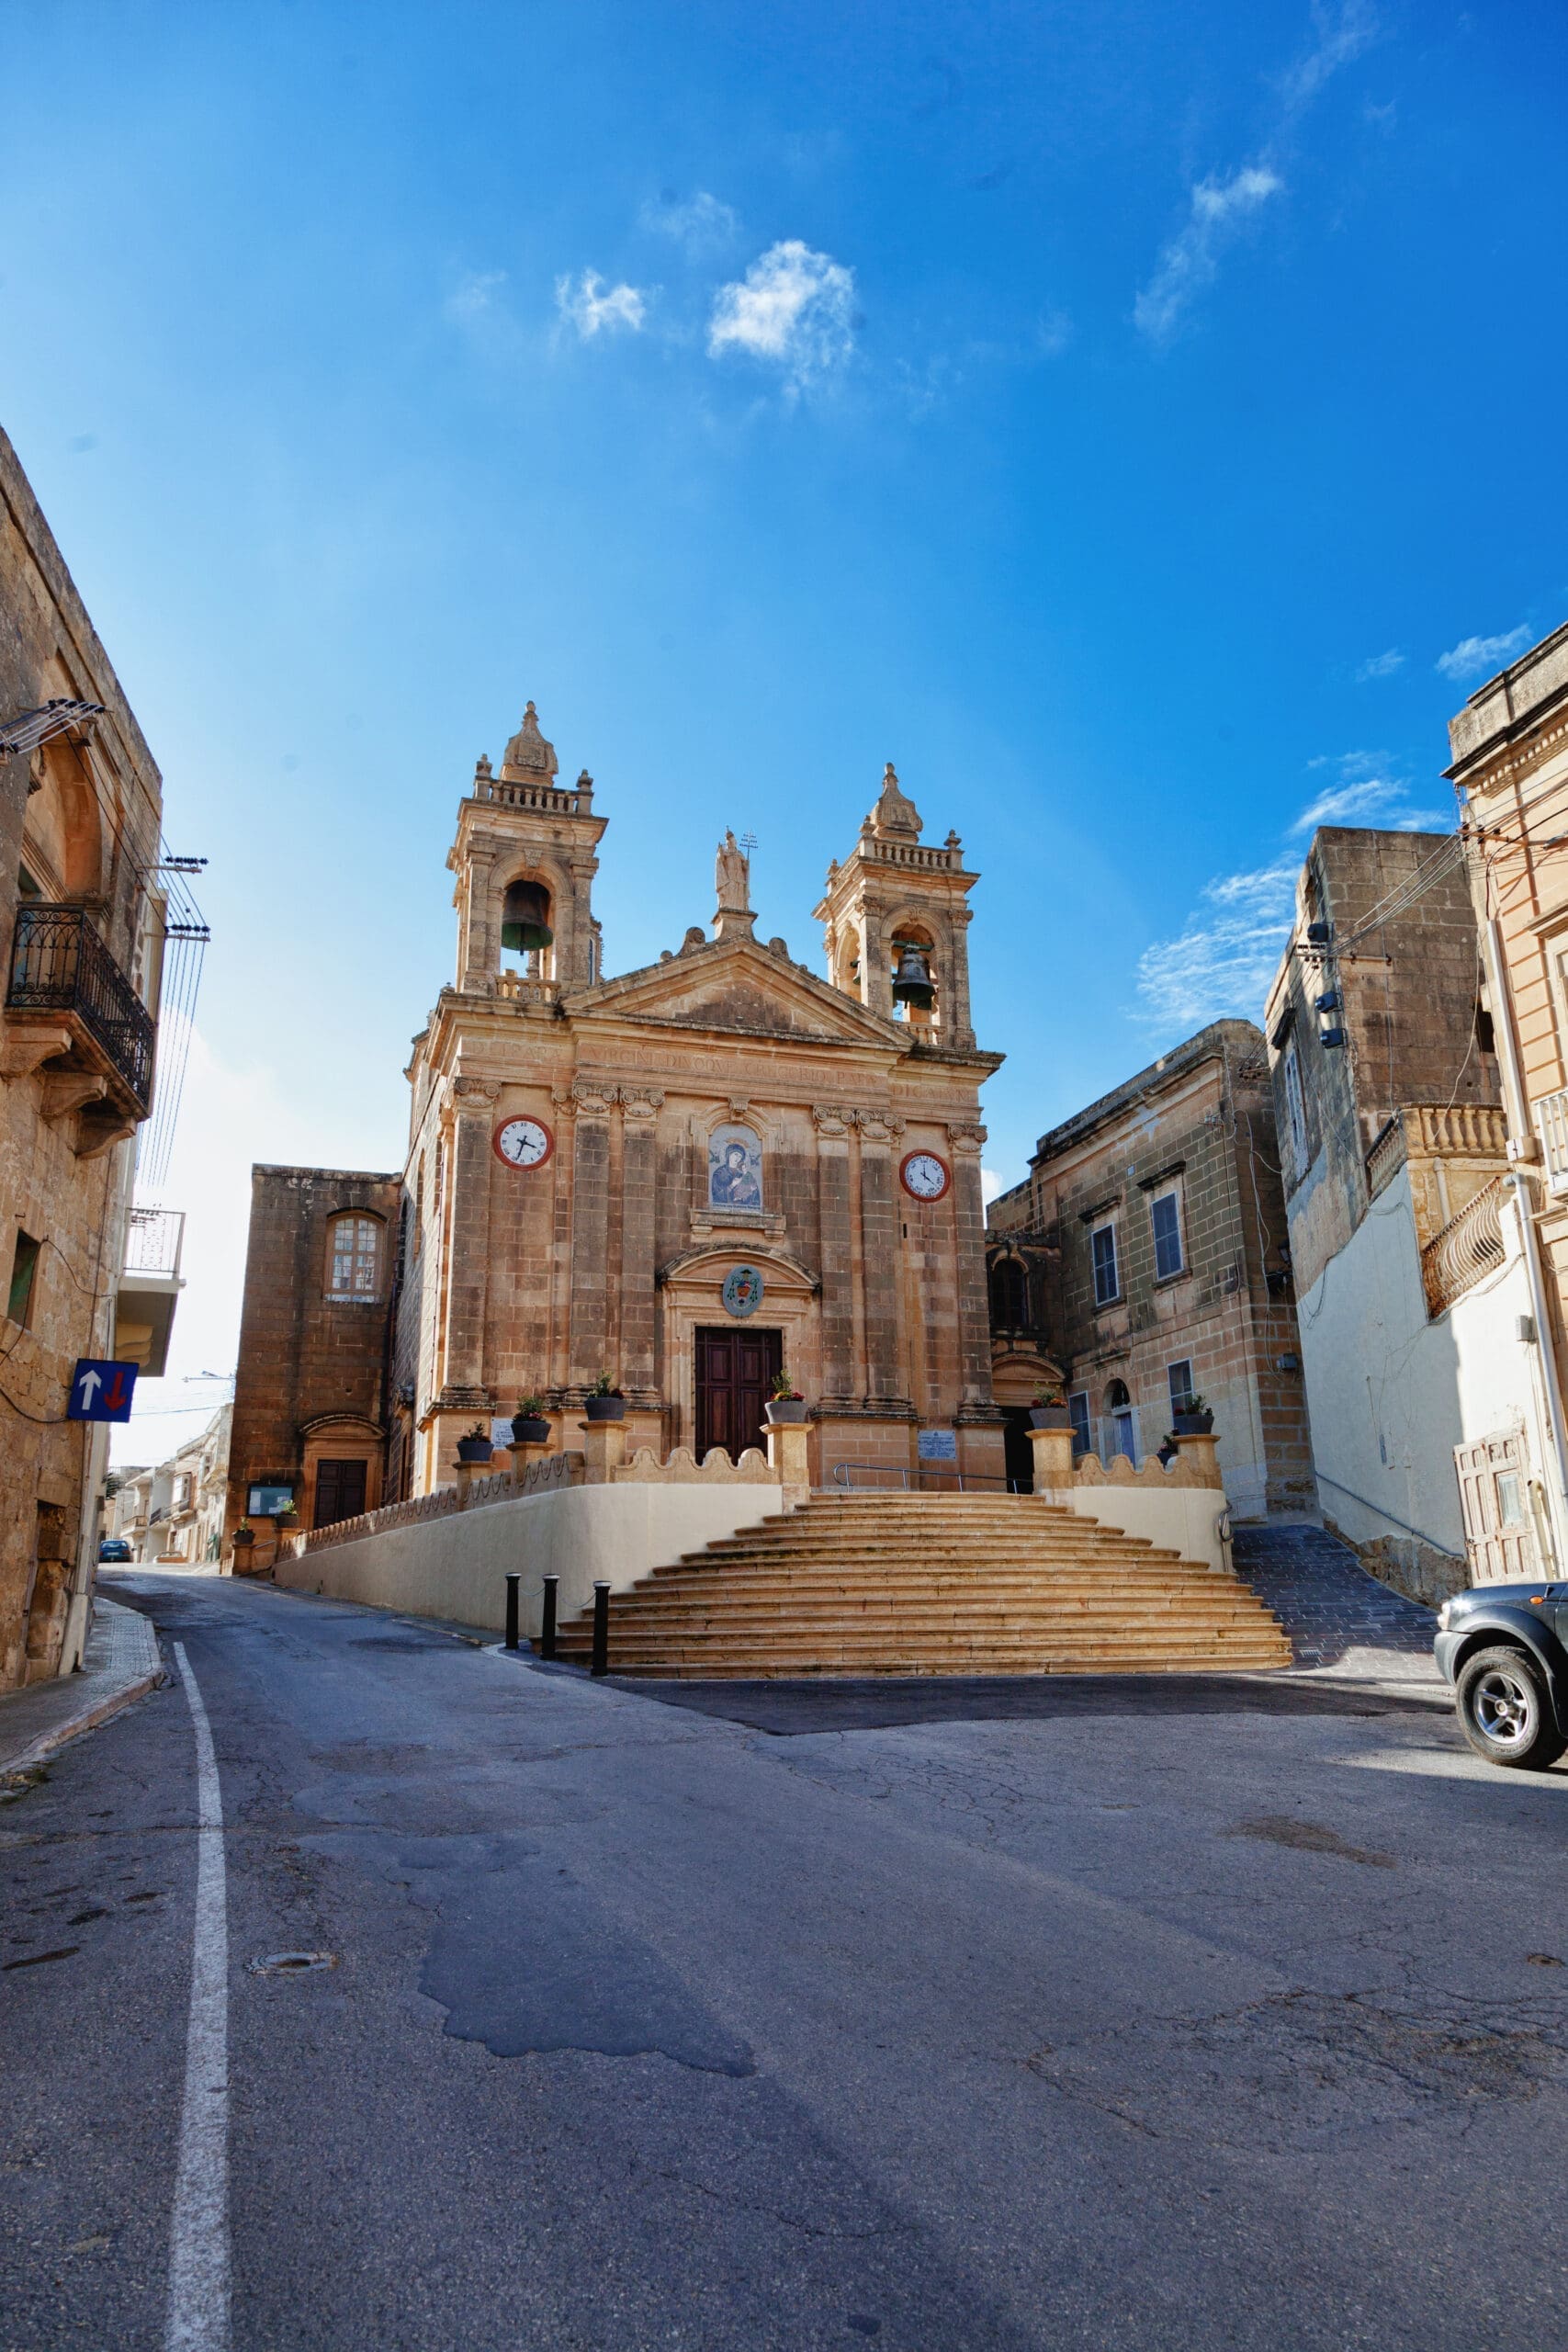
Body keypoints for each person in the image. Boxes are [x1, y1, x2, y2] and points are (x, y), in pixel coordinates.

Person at [711, 1139, 761, 1207]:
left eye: (740, 1156)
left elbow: (755, 1194)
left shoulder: (746, 1174)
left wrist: (751, 1188)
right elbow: (716, 1194)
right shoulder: (720, 1172)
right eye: (735, 1154)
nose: (737, 1158)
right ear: (729, 1155)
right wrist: (732, 1185)